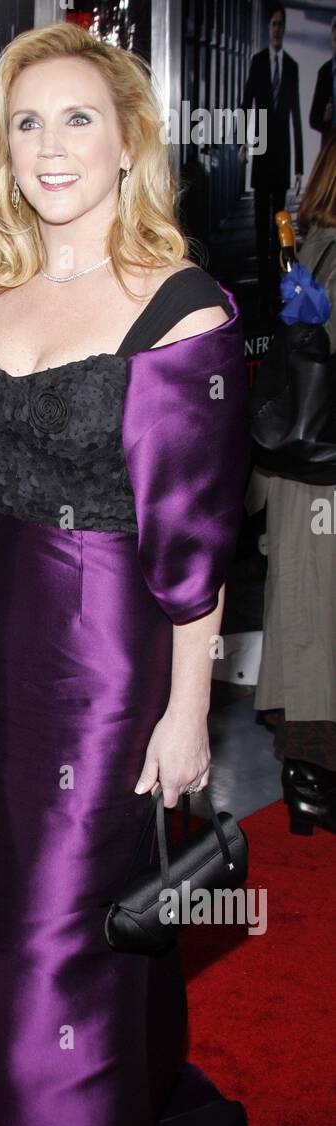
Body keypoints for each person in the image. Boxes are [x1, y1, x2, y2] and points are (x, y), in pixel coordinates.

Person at [0, 23, 251, 1126]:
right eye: (26, 124)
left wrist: (185, 707)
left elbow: (197, 540)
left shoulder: (180, 304)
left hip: (109, 645)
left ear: (126, 144)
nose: (49, 147)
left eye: (76, 121)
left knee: (67, 914)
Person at [248, 130, 336, 834]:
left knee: (308, 621)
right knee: (313, 623)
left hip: (303, 472)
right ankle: (310, 779)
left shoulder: (311, 242)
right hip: (319, 476)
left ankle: (308, 778)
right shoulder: (319, 247)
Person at [240, 4, 304, 313]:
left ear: (284, 29)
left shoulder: (291, 67)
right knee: (260, 225)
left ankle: (279, 285)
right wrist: (243, 143)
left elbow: (295, 117)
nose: (277, 29)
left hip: (282, 158)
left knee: (281, 227)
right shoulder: (258, 62)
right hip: (262, 154)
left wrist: (300, 165)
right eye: (273, 25)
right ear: (269, 29)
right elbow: (245, 105)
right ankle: (262, 290)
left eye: (281, 25)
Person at [309, 14, 336, 146]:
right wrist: (324, 118)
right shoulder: (324, 73)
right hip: (329, 149)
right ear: (332, 40)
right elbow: (313, 120)